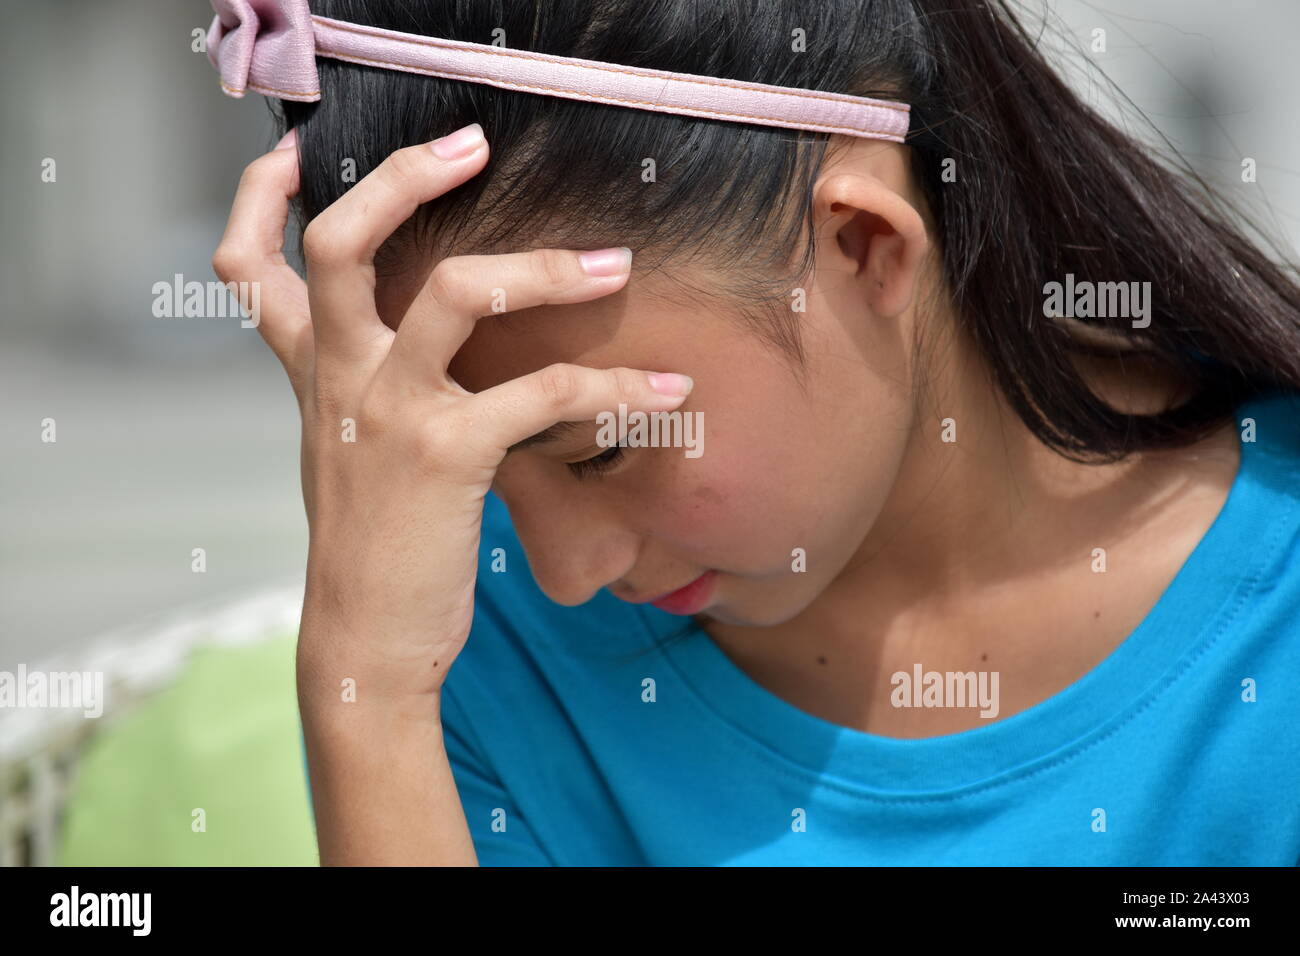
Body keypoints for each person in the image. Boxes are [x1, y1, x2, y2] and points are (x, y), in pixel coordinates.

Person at [209, 0, 1300, 865]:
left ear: (866, 244)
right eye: (475, 465)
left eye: (597, 447)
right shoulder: (440, 648)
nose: (561, 573)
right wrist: (366, 688)